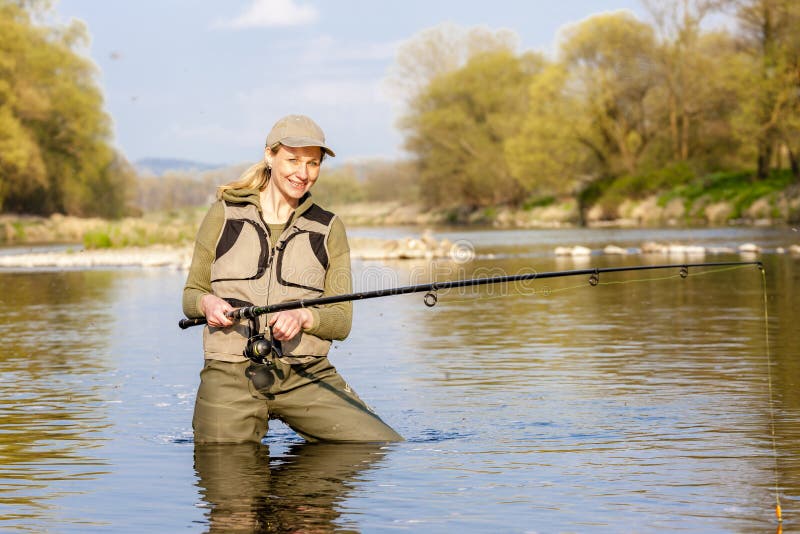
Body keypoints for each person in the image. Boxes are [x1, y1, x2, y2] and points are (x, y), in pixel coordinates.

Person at [182, 114, 402, 444]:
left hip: (306, 374)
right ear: (269, 155)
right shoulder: (223, 214)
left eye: (313, 164)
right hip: (229, 373)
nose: (303, 173)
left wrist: (304, 316)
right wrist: (207, 302)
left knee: (380, 445)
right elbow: (191, 294)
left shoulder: (329, 228)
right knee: (225, 478)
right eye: (293, 160)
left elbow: (341, 321)